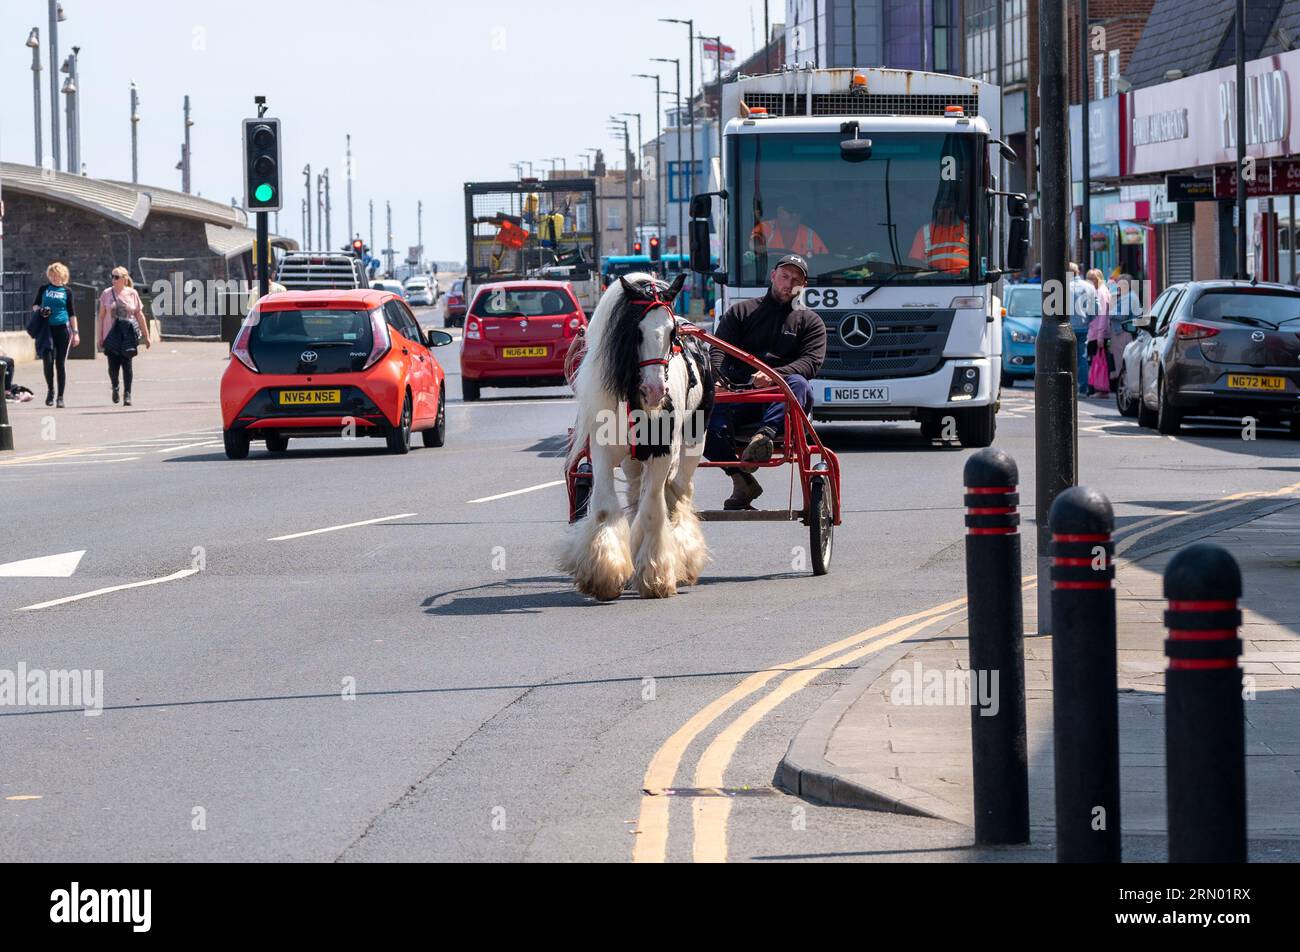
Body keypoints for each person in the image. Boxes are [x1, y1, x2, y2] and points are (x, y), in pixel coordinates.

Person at [704, 254, 827, 510]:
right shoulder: (741, 311)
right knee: (698, 421)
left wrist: (774, 375)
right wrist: (718, 379)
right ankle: (741, 478)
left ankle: (764, 437)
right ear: (773, 276)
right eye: (784, 276)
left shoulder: (811, 321)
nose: (788, 283)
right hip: (740, 395)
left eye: (795, 279)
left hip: (782, 401)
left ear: (802, 286)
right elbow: (718, 350)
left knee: (799, 383)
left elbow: (811, 362)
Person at [97, 266, 151, 405]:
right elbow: (101, 317)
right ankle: (115, 386)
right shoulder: (106, 293)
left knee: (127, 365)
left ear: (124, 279)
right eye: (112, 276)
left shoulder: (132, 293)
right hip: (111, 335)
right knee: (113, 367)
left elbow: (139, 315)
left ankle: (127, 394)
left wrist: (146, 336)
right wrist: (100, 337)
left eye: (116, 277)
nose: (113, 279)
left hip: (127, 335)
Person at [30, 262, 79, 408]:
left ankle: (60, 397)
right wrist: (40, 310)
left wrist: (76, 333)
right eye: (51, 275)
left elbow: (72, 313)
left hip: (62, 329)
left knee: (60, 364)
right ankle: (50, 391)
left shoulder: (67, 291)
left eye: (56, 275)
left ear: (62, 276)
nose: (53, 278)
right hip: (47, 330)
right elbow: (35, 305)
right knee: (48, 361)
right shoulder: (44, 289)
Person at [908, 193, 970, 272]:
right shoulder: (924, 231)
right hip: (935, 281)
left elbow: (980, 258)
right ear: (936, 210)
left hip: (965, 281)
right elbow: (914, 261)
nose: (945, 211)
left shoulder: (968, 229)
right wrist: (928, 269)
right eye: (941, 207)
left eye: (948, 207)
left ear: (954, 209)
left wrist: (969, 271)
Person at [751, 204, 829, 258]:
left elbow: (824, 261)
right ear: (779, 212)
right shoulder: (765, 228)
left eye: (797, 212)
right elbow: (754, 246)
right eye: (790, 211)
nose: (794, 215)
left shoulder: (810, 234)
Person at [1109, 273, 1142, 387]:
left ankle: (1123, 386)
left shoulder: (1128, 297)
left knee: (1121, 362)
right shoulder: (1129, 295)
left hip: (1123, 332)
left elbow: (1122, 316)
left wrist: (1110, 313)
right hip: (1125, 331)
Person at [1067, 262, 1096, 396]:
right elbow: (1096, 309)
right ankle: (1083, 389)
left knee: (1068, 358)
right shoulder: (1089, 287)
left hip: (1068, 327)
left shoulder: (1065, 286)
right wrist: (1088, 321)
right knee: (1083, 358)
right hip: (1084, 327)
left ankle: (1069, 387)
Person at [1085, 268, 1113, 396]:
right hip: (1095, 332)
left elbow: (1102, 316)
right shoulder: (1099, 291)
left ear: (1099, 279)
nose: (1090, 281)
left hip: (1097, 334)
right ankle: (1097, 388)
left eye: (1093, 279)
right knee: (1097, 362)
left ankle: (1100, 389)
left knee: (1097, 362)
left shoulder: (1100, 293)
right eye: (1089, 278)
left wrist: (1101, 336)